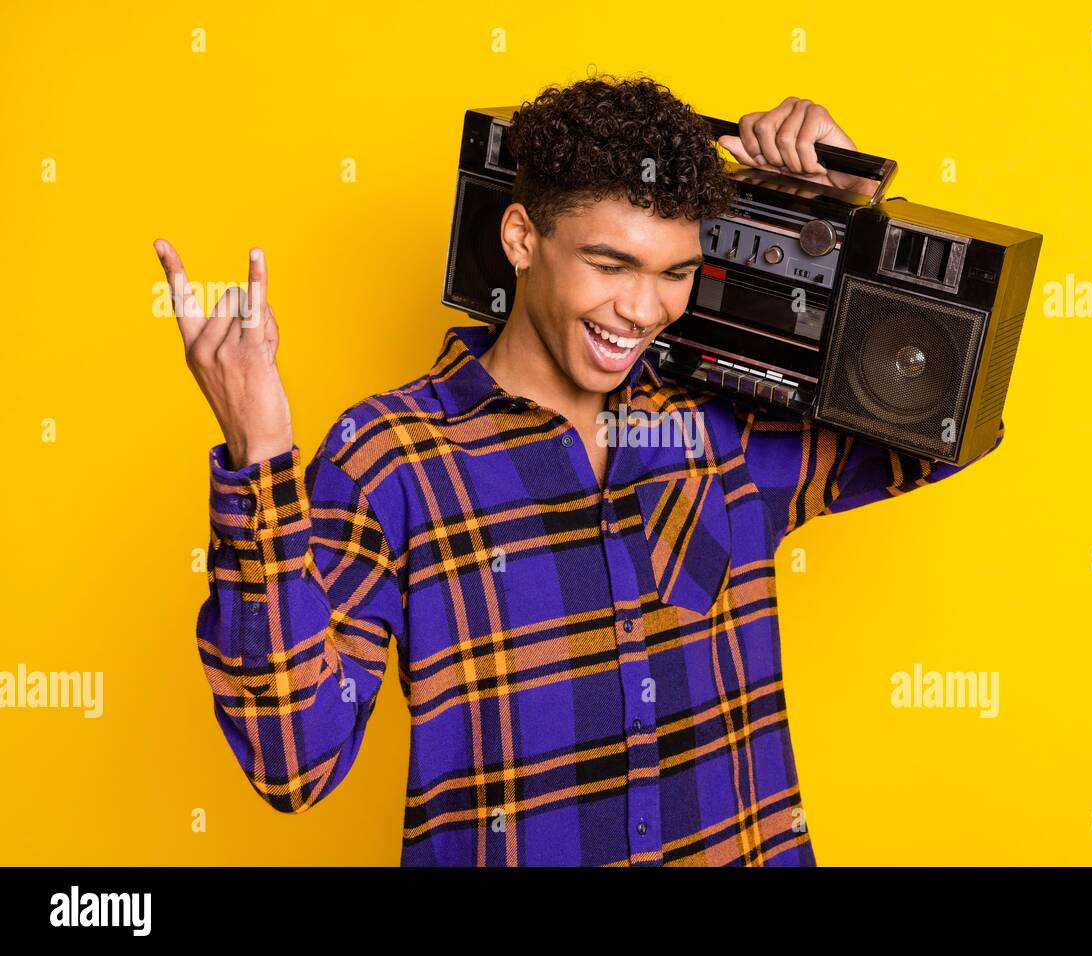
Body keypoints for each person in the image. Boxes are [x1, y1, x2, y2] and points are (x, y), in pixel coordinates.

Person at [154, 74, 1005, 866]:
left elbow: (930, 436)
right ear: (522, 237)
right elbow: (292, 760)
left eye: (676, 272)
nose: (643, 309)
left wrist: (851, 239)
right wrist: (258, 461)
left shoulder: (717, 427)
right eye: (611, 264)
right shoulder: (389, 459)